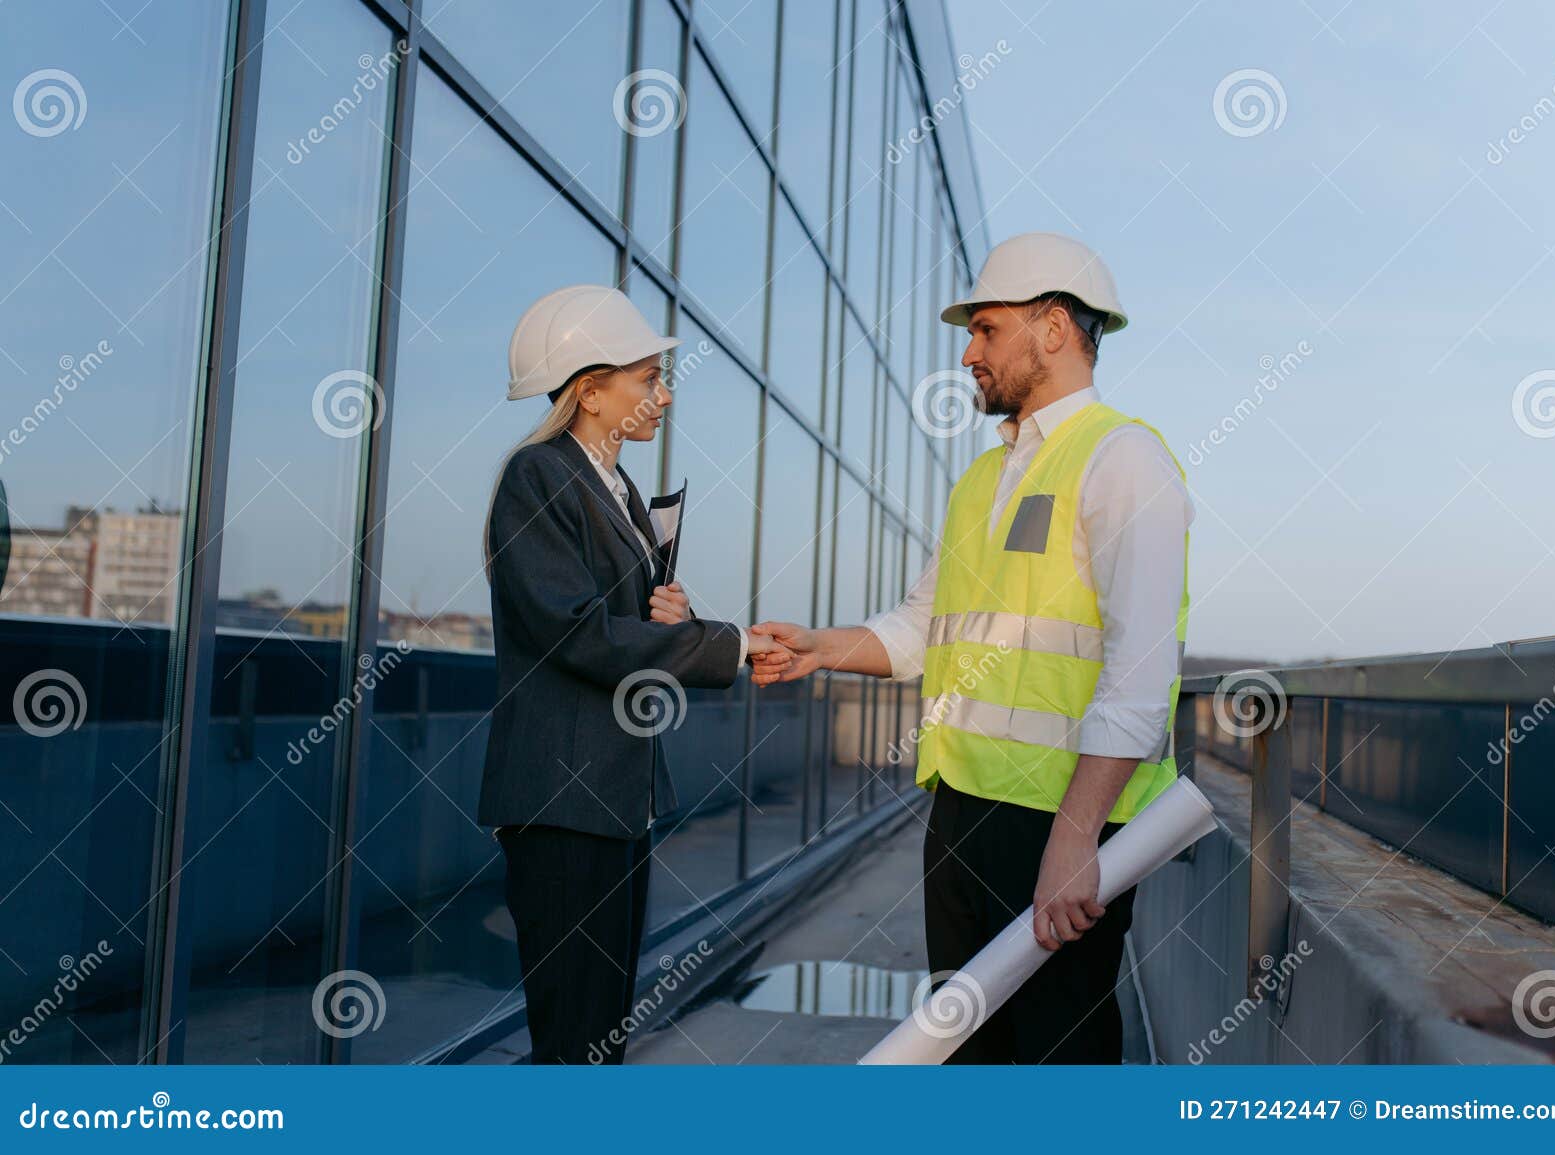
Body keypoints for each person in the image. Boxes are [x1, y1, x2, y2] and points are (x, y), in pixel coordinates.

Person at [751, 233, 1193, 1064]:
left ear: (1054, 329)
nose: (968, 352)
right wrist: (821, 647)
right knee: (968, 1056)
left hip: (1059, 825)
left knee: (1058, 1060)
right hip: (960, 813)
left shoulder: (1124, 459)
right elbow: (924, 625)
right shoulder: (980, 482)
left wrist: (1074, 839)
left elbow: (1140, 674)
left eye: (986, 329)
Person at [479, 284, 791, 1063]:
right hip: (561, 802)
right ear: (589, 390)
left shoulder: (613, 486)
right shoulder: (538, 476)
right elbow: (578, 635)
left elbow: (617, 623)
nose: (664, 394)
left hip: (613, 799)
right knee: (573, 1037)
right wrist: (731, 644)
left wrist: (671, 619)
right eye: (647, 378)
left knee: (601, 1032)